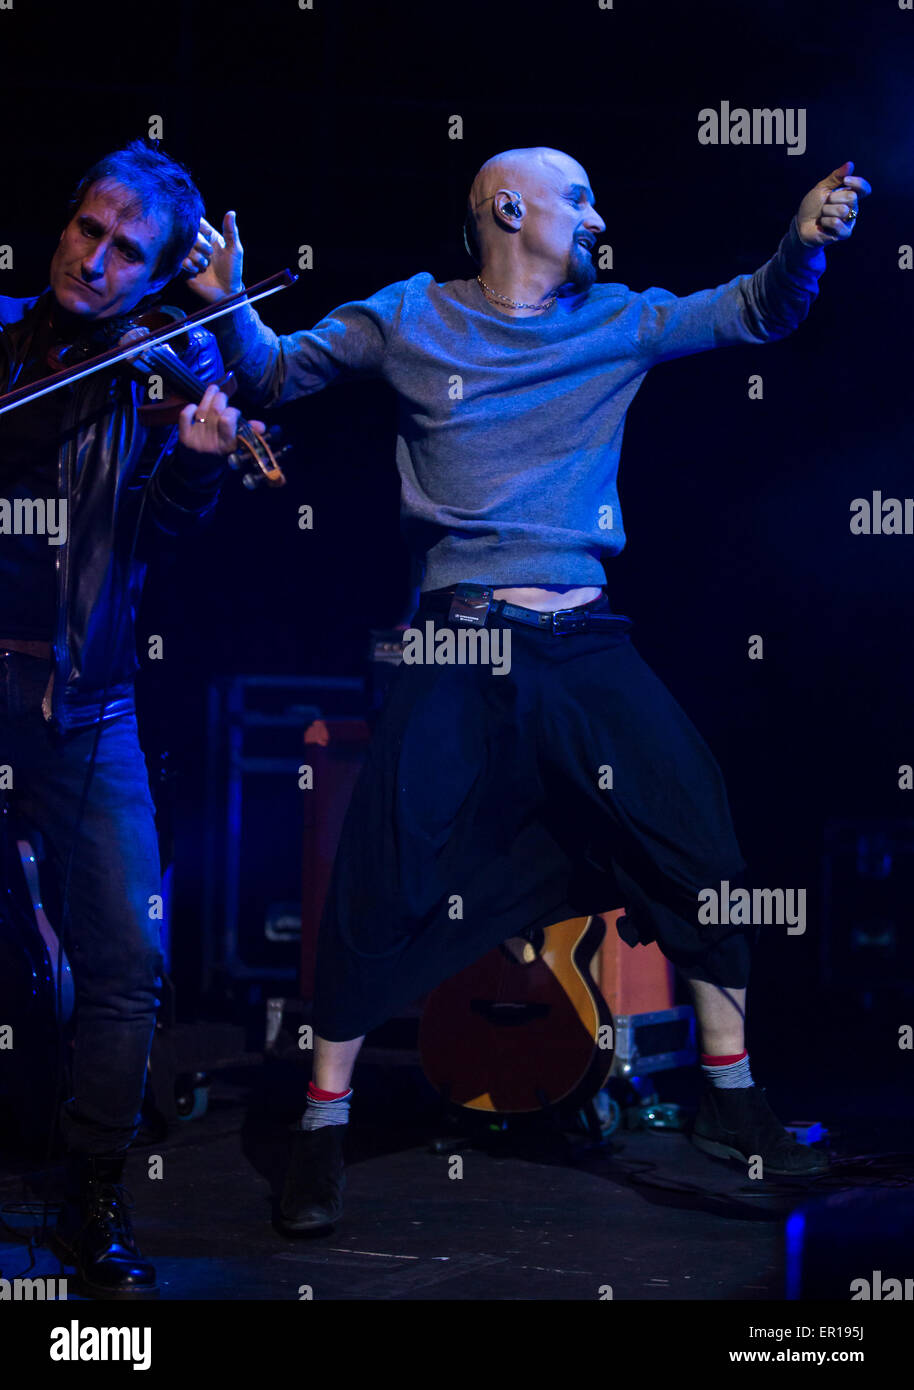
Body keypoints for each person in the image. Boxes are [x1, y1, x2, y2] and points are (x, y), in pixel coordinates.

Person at [187, 146, 870, 1233]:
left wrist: (801, 245)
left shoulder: (618, 317)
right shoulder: (411, 316)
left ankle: (730, 1101)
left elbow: (751, 313)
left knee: (696, 836)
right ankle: (321, 1126)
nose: (599, 215)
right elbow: (274, 372)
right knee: (383, 872)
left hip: (581, 636)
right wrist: (226, 309)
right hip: (459, 641)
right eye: (580, 197)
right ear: (508, 208)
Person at [0, 139, 254, 1295]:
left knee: (130, 949)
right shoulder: (6, 333)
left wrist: (201, 462)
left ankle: (93, 1188)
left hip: (80, 698)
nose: (95, 263)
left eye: (125, 254)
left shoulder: (162, 365)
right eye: (86, 231)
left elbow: (169, 523)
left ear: (156, 277)